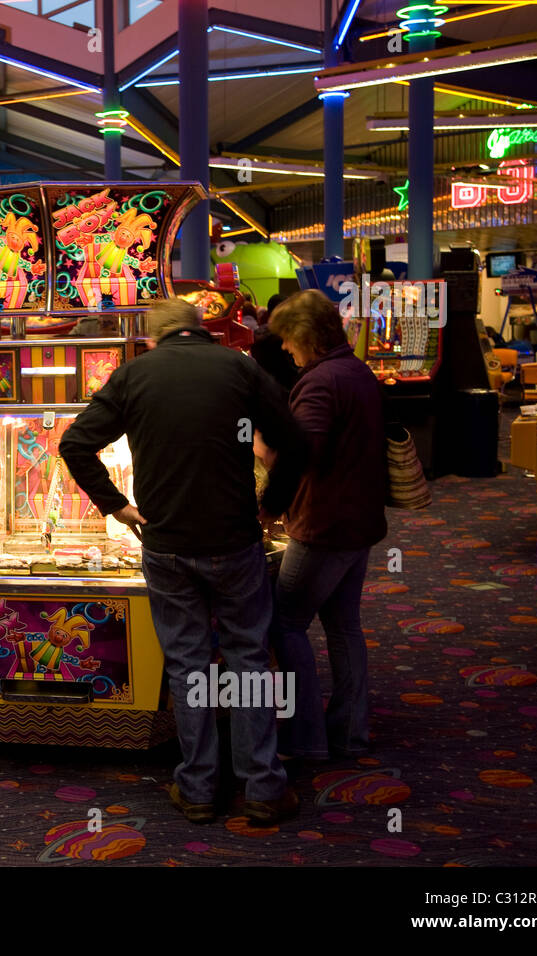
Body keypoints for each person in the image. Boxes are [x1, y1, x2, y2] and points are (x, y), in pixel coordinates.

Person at [60, 298, 308, 825]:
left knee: (188, 664)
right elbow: (294, 441)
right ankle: (262, 787)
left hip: (166, 542)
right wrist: (272, 504)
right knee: (248, 661)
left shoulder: (133, 374)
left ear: (153, 338)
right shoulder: (240, 366)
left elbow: (75, 443)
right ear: (201, 331)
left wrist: (118, 507)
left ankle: (197, 788)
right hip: (235, 539)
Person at [264, 290, 387, 761]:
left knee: (285, 625)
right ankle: (349, 734)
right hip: (359, 519)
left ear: (306, 336)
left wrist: (261, 446)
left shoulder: (320, 382)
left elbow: (302, 453)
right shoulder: (356, 370)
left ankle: (305, 738)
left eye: (287, 339)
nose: (282, 348)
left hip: (324, 525)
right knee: (343, 627)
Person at [251, 293, 299, 393]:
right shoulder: (282, 337)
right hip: (287, 393)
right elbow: (291, 371)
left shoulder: (257, 335)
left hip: (264, 393)